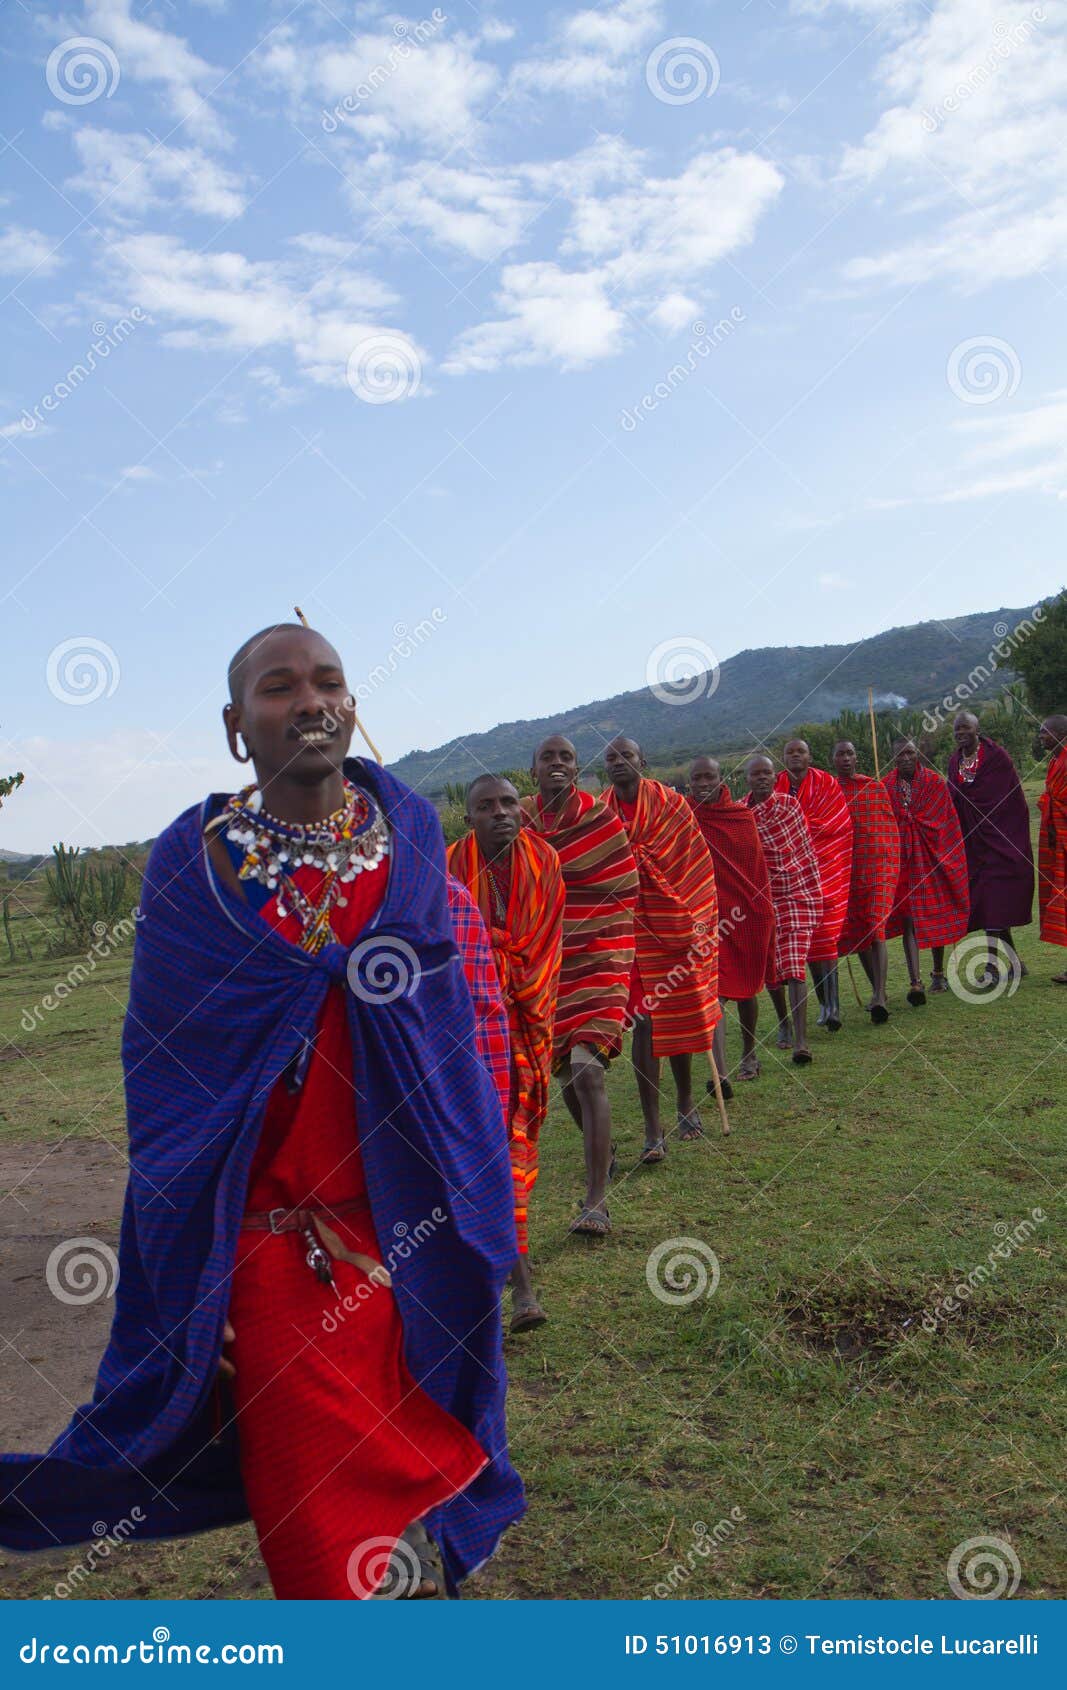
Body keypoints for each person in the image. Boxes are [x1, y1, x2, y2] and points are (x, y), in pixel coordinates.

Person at [0, 623, 524, 1601]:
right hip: (274, 1266)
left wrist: (486, 1216)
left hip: (414, 1253)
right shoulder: (194, 872)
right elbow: (168, 1094)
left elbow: (459, 1049)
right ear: (236, 726)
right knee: (324, 1558)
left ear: (353, 705)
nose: (310, 700)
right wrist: (199, 1278)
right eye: (278, 687)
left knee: (421, 1529)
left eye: (328, 681)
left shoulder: (411, 851)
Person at [447, 776, 565, 1332]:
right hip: (466, 1038)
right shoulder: (443, 873)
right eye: (485, 807)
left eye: (509, 803)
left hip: (524, 1026)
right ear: (468, 817)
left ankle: (500, 1270)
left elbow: (543, 949)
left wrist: (507, 970)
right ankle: (521, 1289)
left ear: (524, 809)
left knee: (511, 1144)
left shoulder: (546, 865)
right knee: (496, 1150)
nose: (500, 813)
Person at [521, 735, 638, 1236]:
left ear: (576, 767)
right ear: (533, 770)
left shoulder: (599, 819)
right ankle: (603, 1151)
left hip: (602, 952)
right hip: (545, 962)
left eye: (566, 757)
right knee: (566, 1073)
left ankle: (596, 1202)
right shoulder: (517, 820)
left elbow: (626, 883)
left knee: (589, 1070)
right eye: (546, 756)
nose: (557, 763)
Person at [603, 737, 721, 1159]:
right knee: (646, 1022)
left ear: (643, 761)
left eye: (627, 756)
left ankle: (686, 1103)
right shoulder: (600, 815)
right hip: (628, 931)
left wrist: (693, 919)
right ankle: (654, 1129)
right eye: (611, 758)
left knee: (679, 1018)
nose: (619, 763)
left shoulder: (672, 805)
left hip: (674, 925)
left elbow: (695, 864)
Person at [687, 755, 775, 1087]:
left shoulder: (741, 817)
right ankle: (719, 1073)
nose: (704, 783)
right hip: (707, 917)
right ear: (690, 783)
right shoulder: (686, 818)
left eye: (709, 776)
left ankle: (749, 1052)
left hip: (747, 915)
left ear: (721, 779)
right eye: (698, 778)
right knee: (716, 992)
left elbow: (754, 870)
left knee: (748, 991)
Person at [743, 754, 822, 1064]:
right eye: (756, 774)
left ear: (776, 777)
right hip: (763, 899)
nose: (762, 778)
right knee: (773, 971)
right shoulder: (741, 812)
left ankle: (802, 1041)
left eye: (768, 773)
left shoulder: (790, 807)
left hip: (796, 894)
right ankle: (784, 1024)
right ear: (747, 778)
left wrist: (806, 884)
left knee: (793, 966)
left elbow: (804, 851)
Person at [947, 712, 1034, 983]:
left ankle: (992, 966)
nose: (960, 733)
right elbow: (954, 799)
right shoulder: (955, 761)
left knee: (994, 900)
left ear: (977, 730)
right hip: (973, 844)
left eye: (965, 728)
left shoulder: (997, 758)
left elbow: (1010, 801)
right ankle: (1017, 963)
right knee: (988, 904)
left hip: (1001, 838)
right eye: (956, 729)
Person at [883, 736, 969, 1004]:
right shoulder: (886, 786)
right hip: (903, 863)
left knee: (934, 914)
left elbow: (947, 822)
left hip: (932, 858)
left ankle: (938, 972)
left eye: (910, 753)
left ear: (917, 753)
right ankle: (915, 981)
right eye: (900, 755)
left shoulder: (933, 782)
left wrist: (923, 831)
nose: (906, 759)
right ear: (894, 758)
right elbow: (885, 825)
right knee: (908, 918)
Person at [775, 740, 853, 1031]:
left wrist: (801, 826)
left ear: (810, 756)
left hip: (827, 869)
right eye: (790, 752)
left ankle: (834, 1005)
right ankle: (822, 1003)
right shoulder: (776, 785)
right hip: (792, 877)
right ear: (783, 758)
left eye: (801, 751)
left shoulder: (827, 783)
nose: (795, 756)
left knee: (827, 936)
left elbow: (838, 823)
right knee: (806, 942)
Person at [832, 740, 901, 1024]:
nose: (846, 758)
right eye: (840, 754)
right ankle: (875, 992)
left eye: (850, 753)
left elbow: (888, 830)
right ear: (833, 760)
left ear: (857, 757)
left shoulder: (874, 788)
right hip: (846, 870)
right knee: (859, 929)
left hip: (878, 868)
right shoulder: (830, 792)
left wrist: (888, 861)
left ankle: (881, 996)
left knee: (875, 924)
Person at [1037, 714, 1067, 982]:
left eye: (1045, 732)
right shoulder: (1055, 761)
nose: (1041, 737)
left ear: (1059, 733)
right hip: (1058, 839)